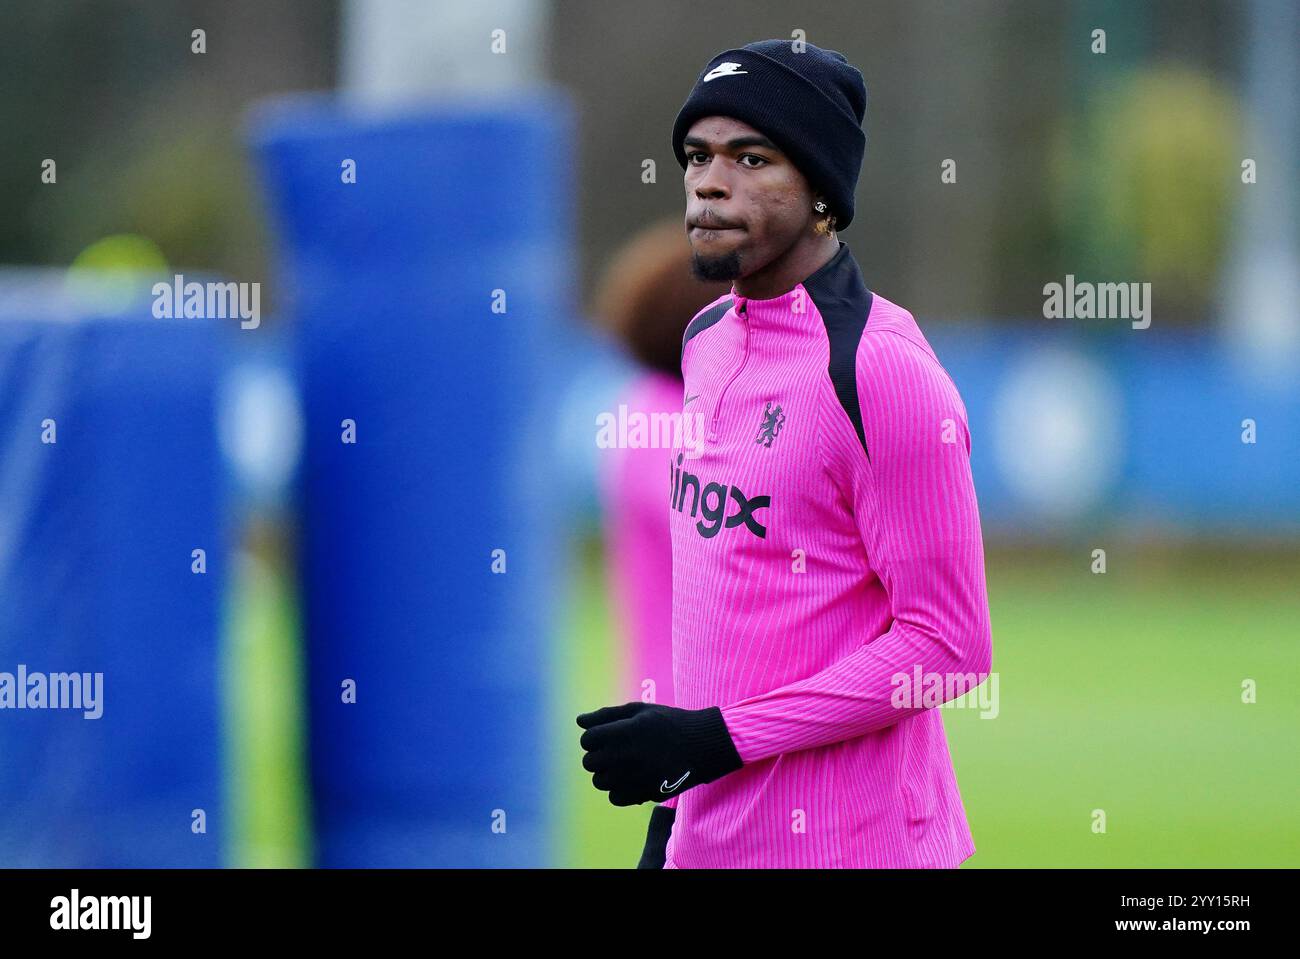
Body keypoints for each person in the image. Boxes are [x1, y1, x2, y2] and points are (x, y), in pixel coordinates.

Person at [578, 39, 993, 868]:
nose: (708, 181)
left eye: (751, 157)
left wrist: (719, 737)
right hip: (708, 835)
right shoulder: (704, 343)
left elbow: (950, 646)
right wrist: (682, 800)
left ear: (821, 195)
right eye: (696, 156)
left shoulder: (879, 372)